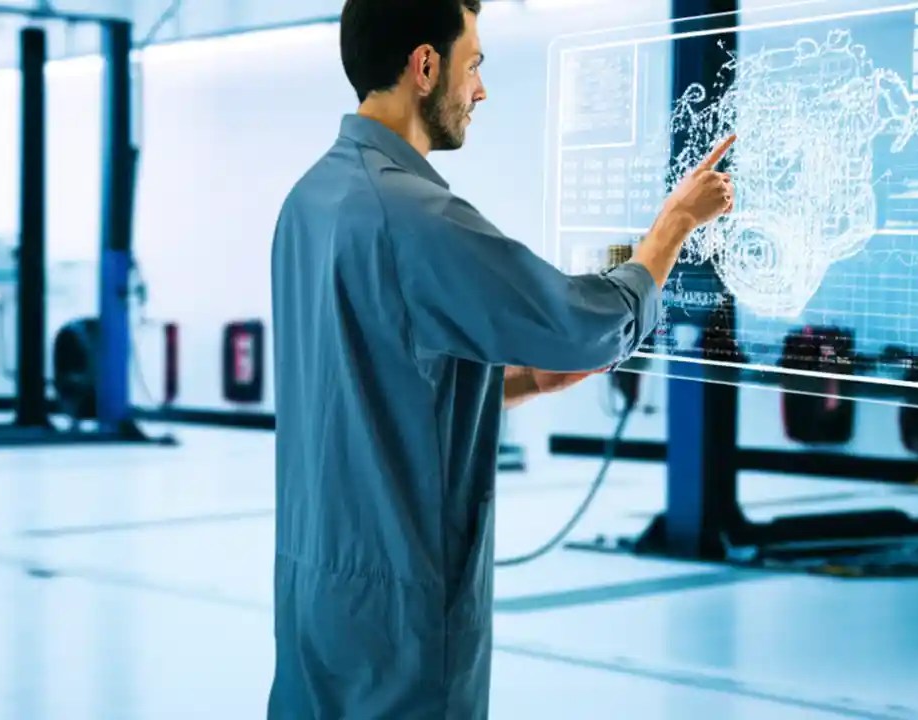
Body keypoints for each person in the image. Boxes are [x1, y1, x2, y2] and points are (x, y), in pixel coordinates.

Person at [268, 0, 734, 717]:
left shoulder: (310, 200)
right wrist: (674, 225)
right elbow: (589, 324)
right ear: (426, 67)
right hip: (400, 620)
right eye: (473, 65)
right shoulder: (412, 215)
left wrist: (513, 383)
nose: (479, 90)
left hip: (316, 603)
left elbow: (372, 375)